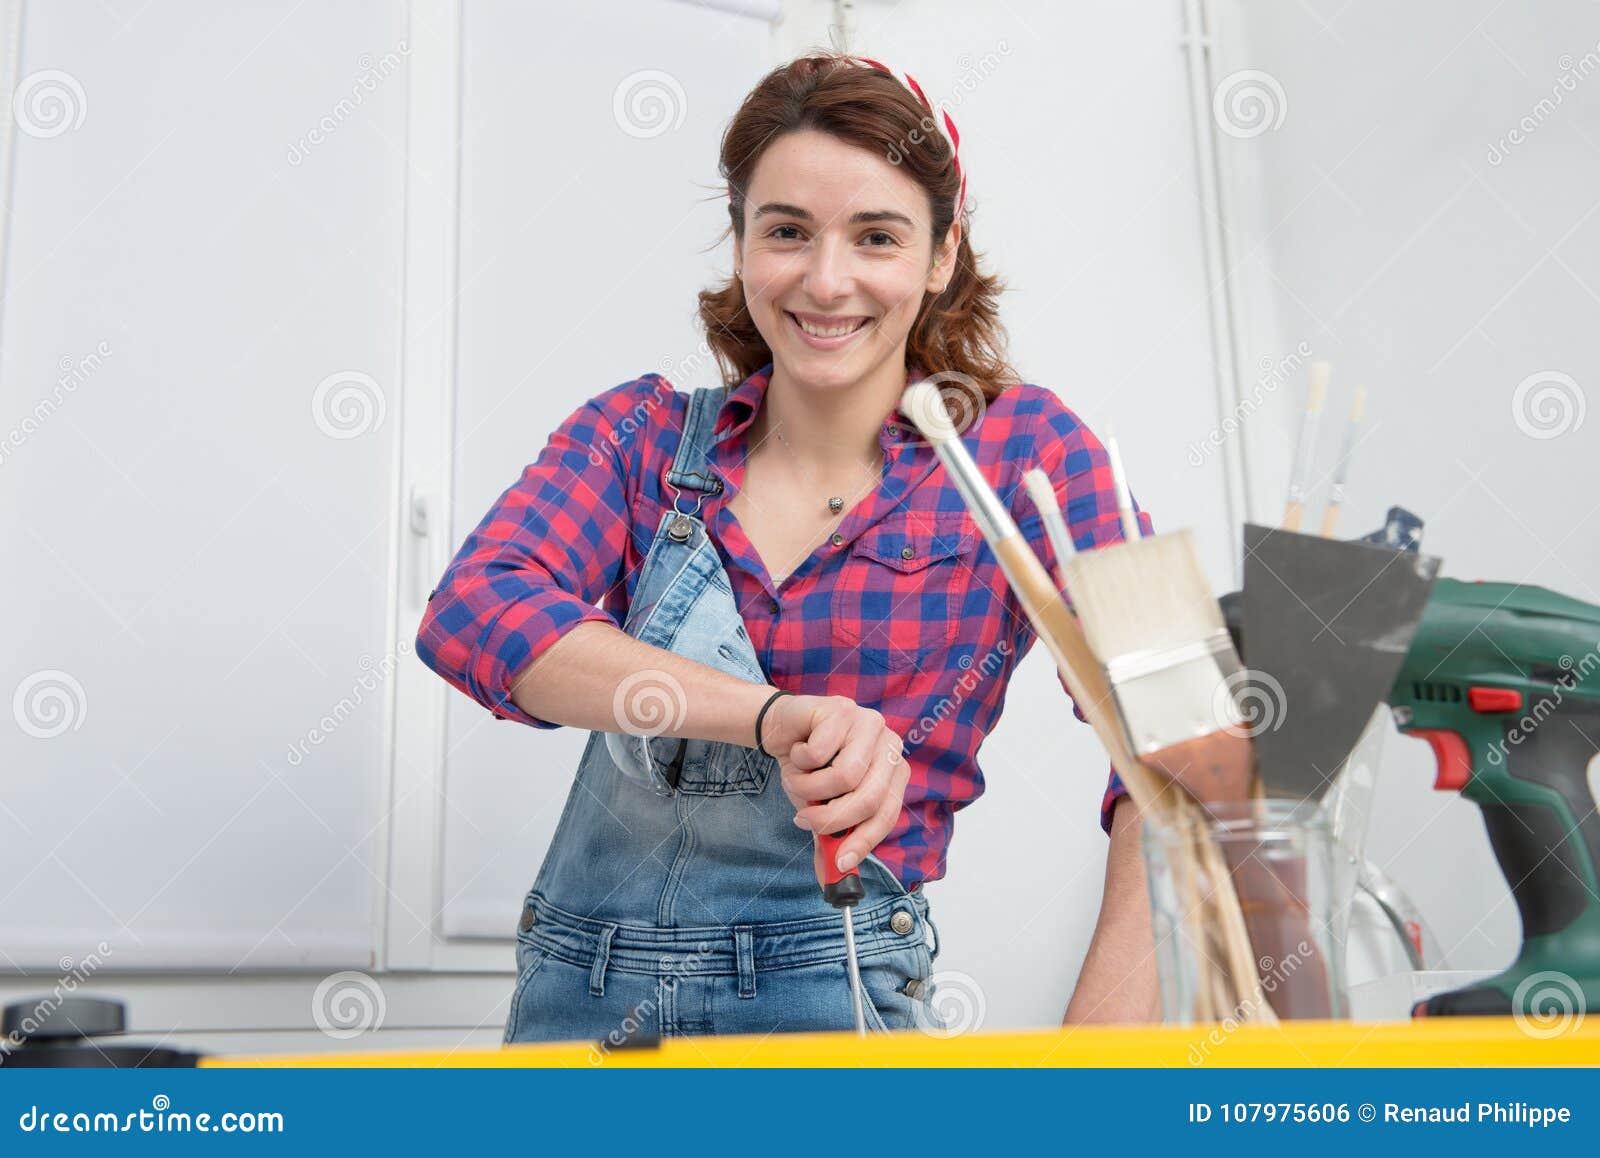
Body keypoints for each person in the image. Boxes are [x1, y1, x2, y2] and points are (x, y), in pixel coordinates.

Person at [416, 53, 1157, 1045]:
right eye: (787, 232)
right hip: (579, 1009)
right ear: (740, 245)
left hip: (833, 1003)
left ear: (941, 256)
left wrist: (1098, 1071)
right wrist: (768, 717)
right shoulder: (636, 440)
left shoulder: (1025, 453)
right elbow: (474, 613)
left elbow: (1178, 745)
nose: (827, 279)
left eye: (877, 236)